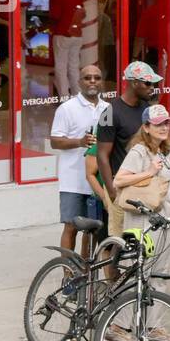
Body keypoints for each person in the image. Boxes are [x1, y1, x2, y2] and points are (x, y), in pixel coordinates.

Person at [113, 104, 170, 291]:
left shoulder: (162, 152)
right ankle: (125, 321)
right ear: (146, 127)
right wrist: (149, 172)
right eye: (158, 124)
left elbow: (165, 192)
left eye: (166, 123)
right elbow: (118, 180)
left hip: (162, 220)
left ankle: (154, 320)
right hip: (142, 222)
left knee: (159, 274)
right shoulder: (139, 151)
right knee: (140, 274)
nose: (164, 127)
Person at [97, 61, 161, 240]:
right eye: (148, 83)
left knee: (139, 242)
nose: (152, 88)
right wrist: (111, 191)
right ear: (134, 83)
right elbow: (102, 155)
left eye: (154, 84)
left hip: (142, 184)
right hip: (121, 186)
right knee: (117, 242)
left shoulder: (145, 109)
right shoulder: (110, 112)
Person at [49, 64, 108, 256]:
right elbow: (55, 141)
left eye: (97, 78)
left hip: (98, 181)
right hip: (73, 181)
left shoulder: (108, 109)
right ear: (79, 82)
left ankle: (84, 273)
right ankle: (69, 275)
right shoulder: (67, 108)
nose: (92, 81)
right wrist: (80, 142)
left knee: (93, 230)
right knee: (71, 227)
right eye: (87, 78)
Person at [48, 0, 85, 97]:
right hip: (77, 35)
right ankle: (77, 94)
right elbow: (82, 13)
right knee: (74, 66)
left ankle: (64, 96)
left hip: (62, 34)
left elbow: (55, 16)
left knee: (60, 67)